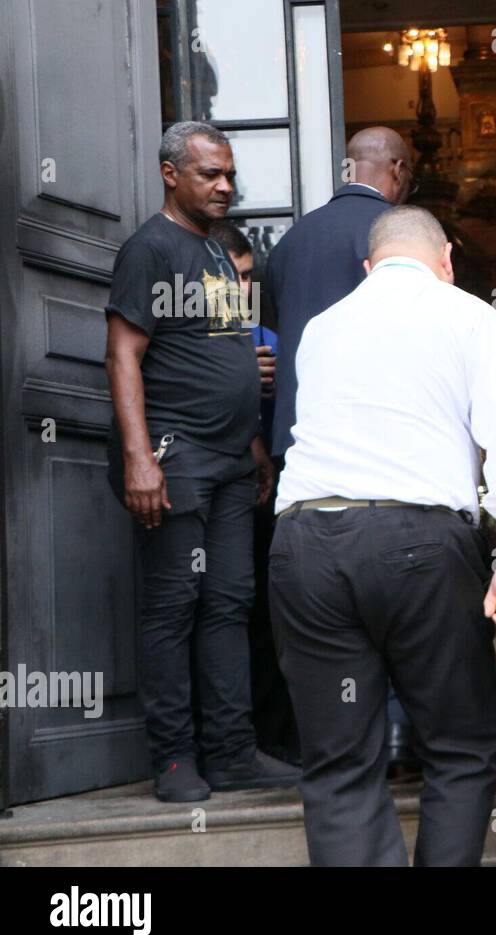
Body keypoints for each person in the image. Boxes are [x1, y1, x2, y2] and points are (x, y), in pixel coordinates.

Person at [268, 206, 496, 866]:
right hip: (420, 544)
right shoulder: (471, 317)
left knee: (338, 765)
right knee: (458, 749)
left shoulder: (319, 329)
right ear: (447, 259)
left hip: (306, 543)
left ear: (368, 269)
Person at [104, 121, 300, 803]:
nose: (225, 185)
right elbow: (123, 354)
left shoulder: (217, 255)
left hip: (228, 460)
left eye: (229, 174)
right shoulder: (149, 249)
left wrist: (251, 444)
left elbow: (224, 352)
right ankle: (175, 760)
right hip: (173, 456)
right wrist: (139, 459)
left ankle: (232, 751)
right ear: (170, 174)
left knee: (229, 603)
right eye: (210, 174)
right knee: (173, 606)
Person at [265, 125, 419, 770]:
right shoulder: (404, 237)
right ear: (400, 170)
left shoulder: (289, 243)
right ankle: (401, 736)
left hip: (303, 454)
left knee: (324, 613)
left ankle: (332, 745)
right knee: (405, 601)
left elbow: (273, 337)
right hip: (390, 450)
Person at [208, 220, 297, 764]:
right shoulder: (179, 339)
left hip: (266, 500)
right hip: (206, 493)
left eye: (245, 278)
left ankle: (273, 738)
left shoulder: (271, 340)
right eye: (228, 278)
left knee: (268, 617)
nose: (239, 291)